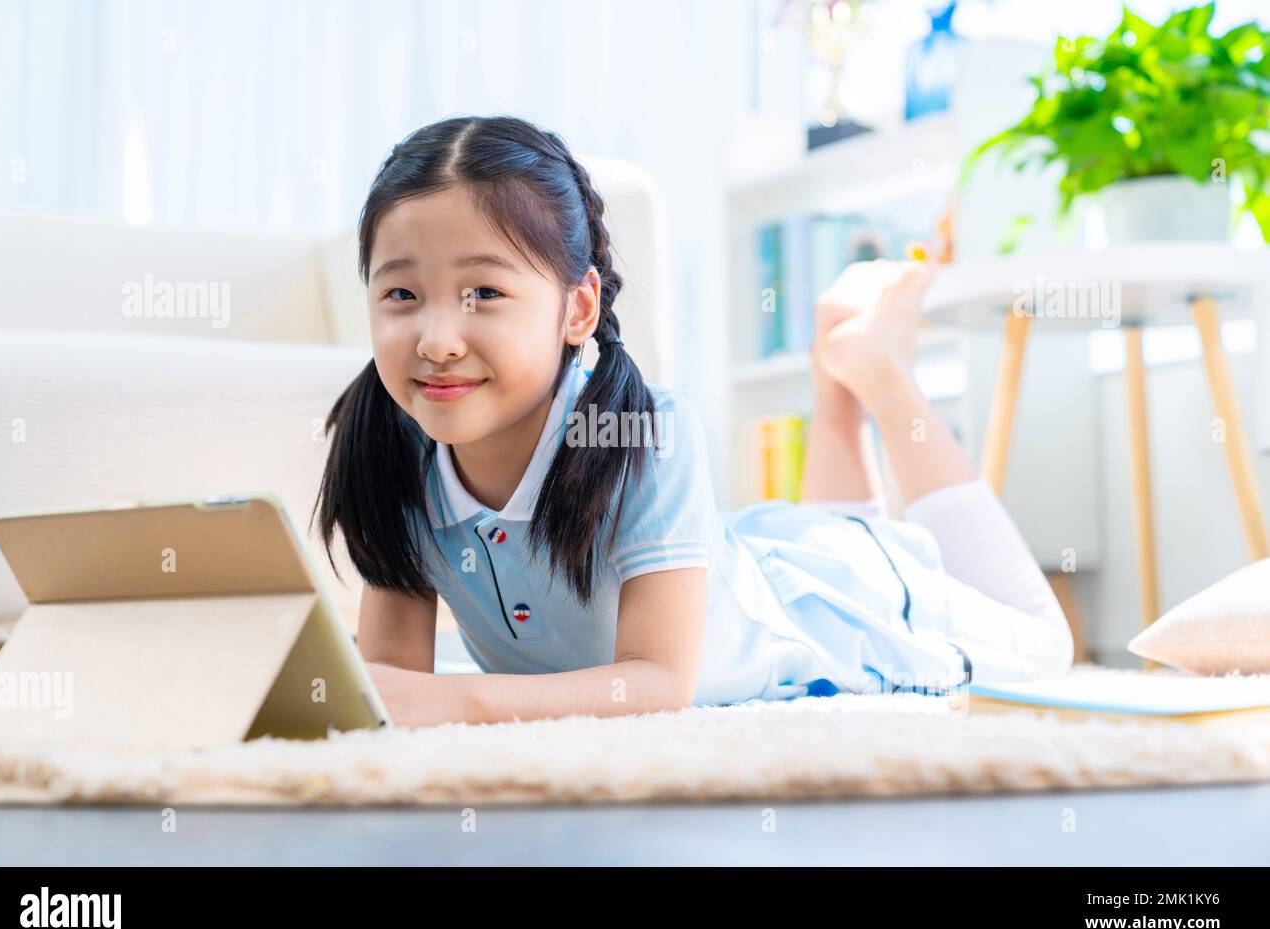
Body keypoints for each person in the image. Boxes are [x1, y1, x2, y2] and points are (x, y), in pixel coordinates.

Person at [314, 114, 1073, 729]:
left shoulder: (646, 434)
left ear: (578, 308)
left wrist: (458, 701)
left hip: (841, 606)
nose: (437, 338)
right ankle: (834, 377)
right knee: (788, 567)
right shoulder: (387, 450)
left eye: (483, 291)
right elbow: (392, 691)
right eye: (401, 296)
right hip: (747, 563)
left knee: (1046, 647)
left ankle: (874, 371)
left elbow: (657, 684)